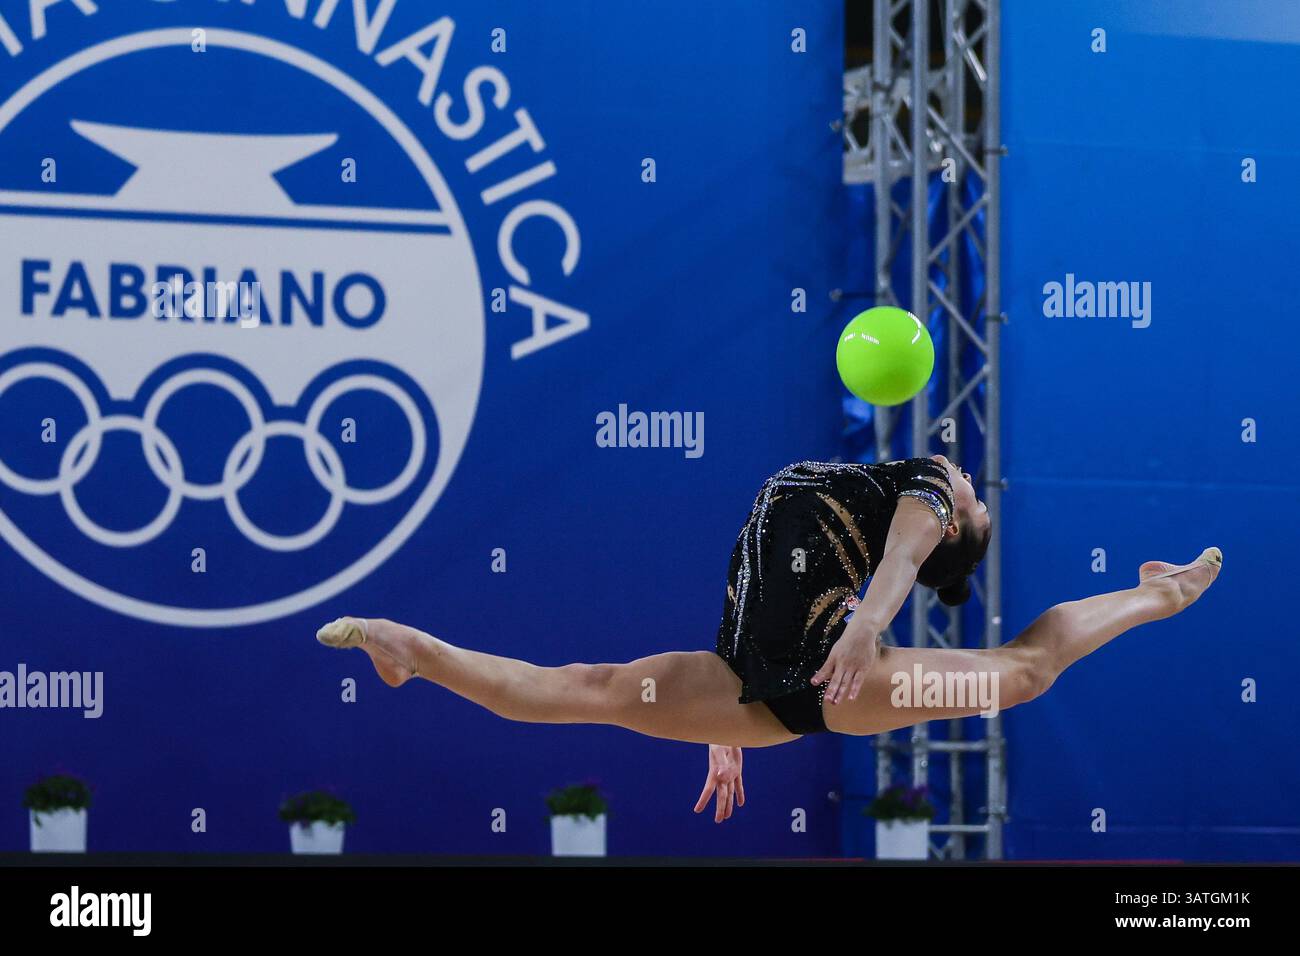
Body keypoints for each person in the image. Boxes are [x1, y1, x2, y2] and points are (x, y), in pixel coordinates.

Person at [316, 455, 1221, 822]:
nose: (974, 485)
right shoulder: (866, 489)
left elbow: (904, 552)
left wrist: (867, 630)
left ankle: (1159, 596)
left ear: (957, 526)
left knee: (1022, 673)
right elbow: (757, 597)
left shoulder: (926, 494)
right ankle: (409, 648)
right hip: (748, 684)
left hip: (839, 678)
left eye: (974, 505)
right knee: (581, 690)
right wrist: (723, 727)